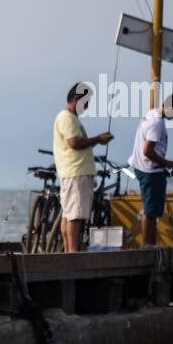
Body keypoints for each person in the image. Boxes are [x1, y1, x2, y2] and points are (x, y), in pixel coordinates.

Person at [53, 83, 113, 253]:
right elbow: (74, 143)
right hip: (76, 173)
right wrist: (98, 139)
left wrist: (96, 141)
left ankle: (69, 251)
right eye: (85, 103)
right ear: (76, 99)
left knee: (68, 215)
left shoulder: (69, 119)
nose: (86, 107)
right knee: (75, 217)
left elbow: (78, 144)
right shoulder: (67, 118)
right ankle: (72, 253)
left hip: (72, 172)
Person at [128, 93, 173, 247]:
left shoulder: (150, 114)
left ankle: (149, 245)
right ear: (172, 108)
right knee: (151, 211)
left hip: (144, 168)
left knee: (151, 210)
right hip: (150, 171)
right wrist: (166, 163)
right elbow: (148, 151)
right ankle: (148, 245)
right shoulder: (157, 123)